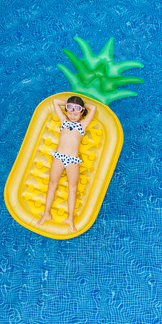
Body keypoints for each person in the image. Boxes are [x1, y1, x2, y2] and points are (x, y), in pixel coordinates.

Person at [37, 95, 96, 232]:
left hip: (72, 160)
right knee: (52, 184)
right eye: (70, 111)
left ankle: (70, 218)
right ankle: (47, 213)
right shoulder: (64, 120)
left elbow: (93, 108)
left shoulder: (82, 124)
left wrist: (81, 105)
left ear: (81, 112)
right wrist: (68, 103)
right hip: (59, 157)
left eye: (76, 113)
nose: (73, 115)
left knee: (73, 188)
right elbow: (55, 102)